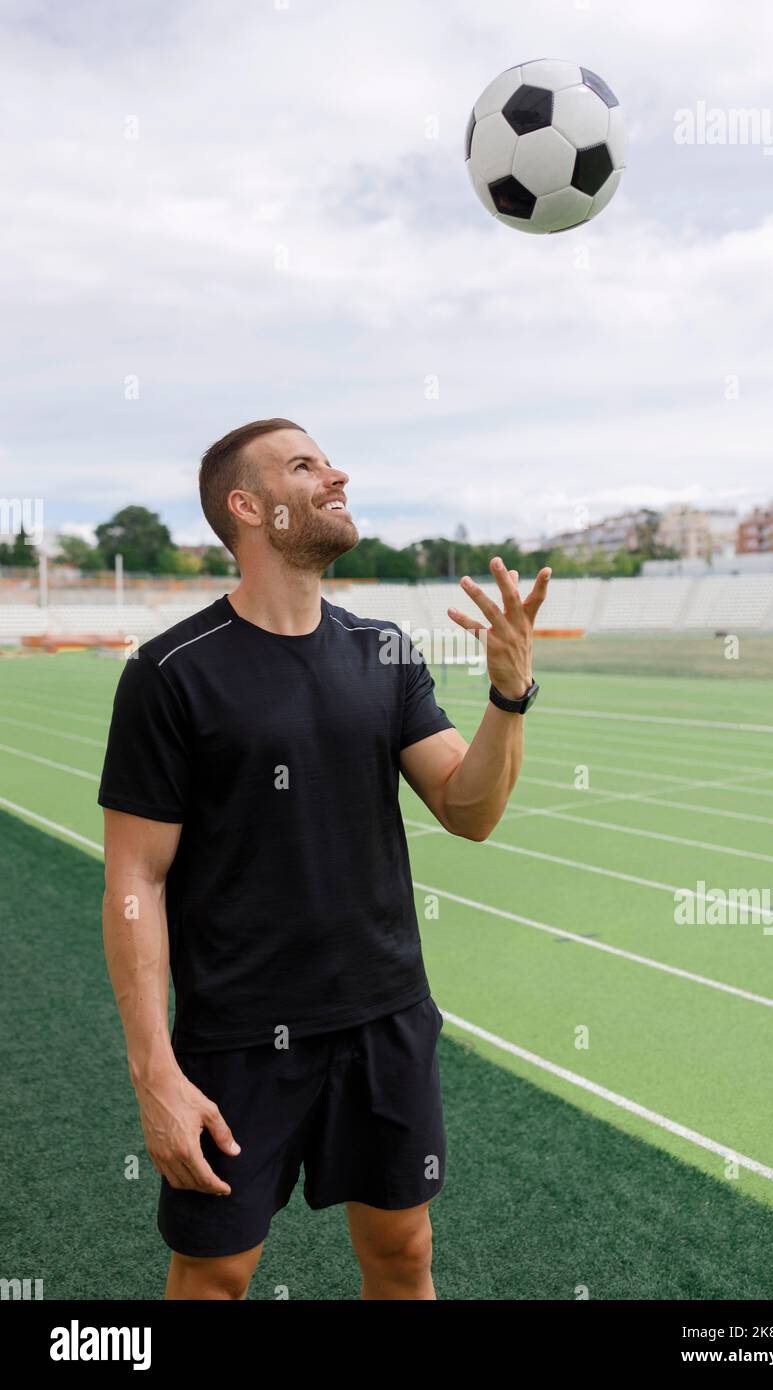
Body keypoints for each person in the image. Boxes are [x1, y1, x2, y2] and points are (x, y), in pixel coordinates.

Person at [99, 417, 549, 1300]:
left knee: (403, 1255)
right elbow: (134, 881)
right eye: (305, 465)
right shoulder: (170, 671)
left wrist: (509, 696)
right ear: (249, 507)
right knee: (217, 1273)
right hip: (236, 1039)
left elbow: (470, 810)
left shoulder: (382, 651)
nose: (336, 475)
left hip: (384, 1019)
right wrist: (155, 1072)